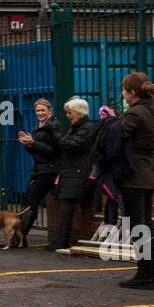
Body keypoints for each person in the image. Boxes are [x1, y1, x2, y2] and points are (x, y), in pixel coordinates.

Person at [118, 72, 154, 289]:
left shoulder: (135, 114)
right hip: (148, 173)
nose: (123, 95)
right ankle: (151, 273)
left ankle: (145, 274)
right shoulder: (152, 110)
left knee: (139, 227)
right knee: (147, 225)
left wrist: (110, 121)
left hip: (134, 176)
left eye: (124, 91)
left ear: (132, 92)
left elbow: (118, 136)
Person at [47, 97, 97, 251]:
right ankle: (59, 239)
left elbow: (70, 146)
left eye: (70, 113)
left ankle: (62, 240)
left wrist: (55, 133)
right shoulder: (76, 128)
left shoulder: (87, 128)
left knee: (67, 209)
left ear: (79, 113)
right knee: (64, 209)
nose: (68, 116)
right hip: (71, 173)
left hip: (78, 173)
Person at [17, 98, 64, 244]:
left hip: (50, 170)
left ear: (50, 110)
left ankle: (18, 238)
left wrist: (33, 143)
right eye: (37, 110)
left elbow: (55, 151)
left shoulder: (55, 125)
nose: (40, 113)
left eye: (43, 110)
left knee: (31, 201)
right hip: (39, 168)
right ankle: (19, 237)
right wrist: (28, 144)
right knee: (28, 201)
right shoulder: (38, 126)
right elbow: (37, 152)